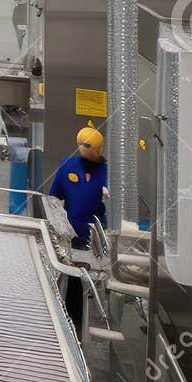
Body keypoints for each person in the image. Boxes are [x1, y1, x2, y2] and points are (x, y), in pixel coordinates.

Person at [48, 124, 108, 333]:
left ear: (99, 150)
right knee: (72, 283)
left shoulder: (109, 172)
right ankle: (72, 329)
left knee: (94, 289)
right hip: (71, 237)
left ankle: (89, 328)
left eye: (89, 151)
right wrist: (57, 229)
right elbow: (54, 199)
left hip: (99, 242)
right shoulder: (68, 166)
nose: (85, 156)